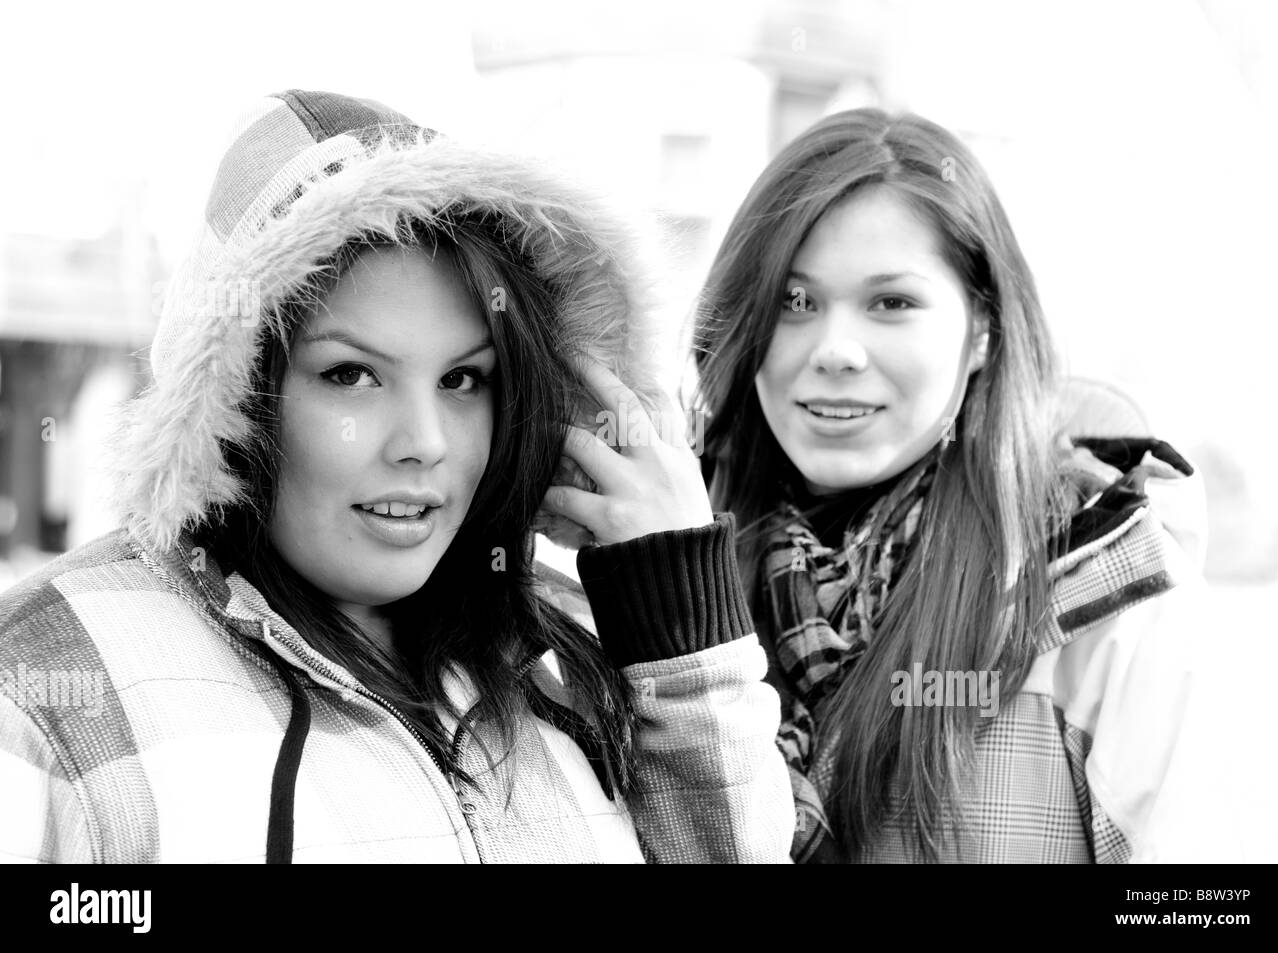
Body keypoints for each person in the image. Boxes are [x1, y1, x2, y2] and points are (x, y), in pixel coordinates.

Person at [0, 90, 792, 863]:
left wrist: (683, 621)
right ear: (231, 396)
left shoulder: (564, 655)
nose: (425, 443)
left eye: (462, 381)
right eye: (351, 375)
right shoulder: (49, 680)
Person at [690, 108, 1225, 863]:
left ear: (980, 330)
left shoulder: (1107, 600)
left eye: (891, 302)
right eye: (794, 301)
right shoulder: (676, 581)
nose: (835, 350)